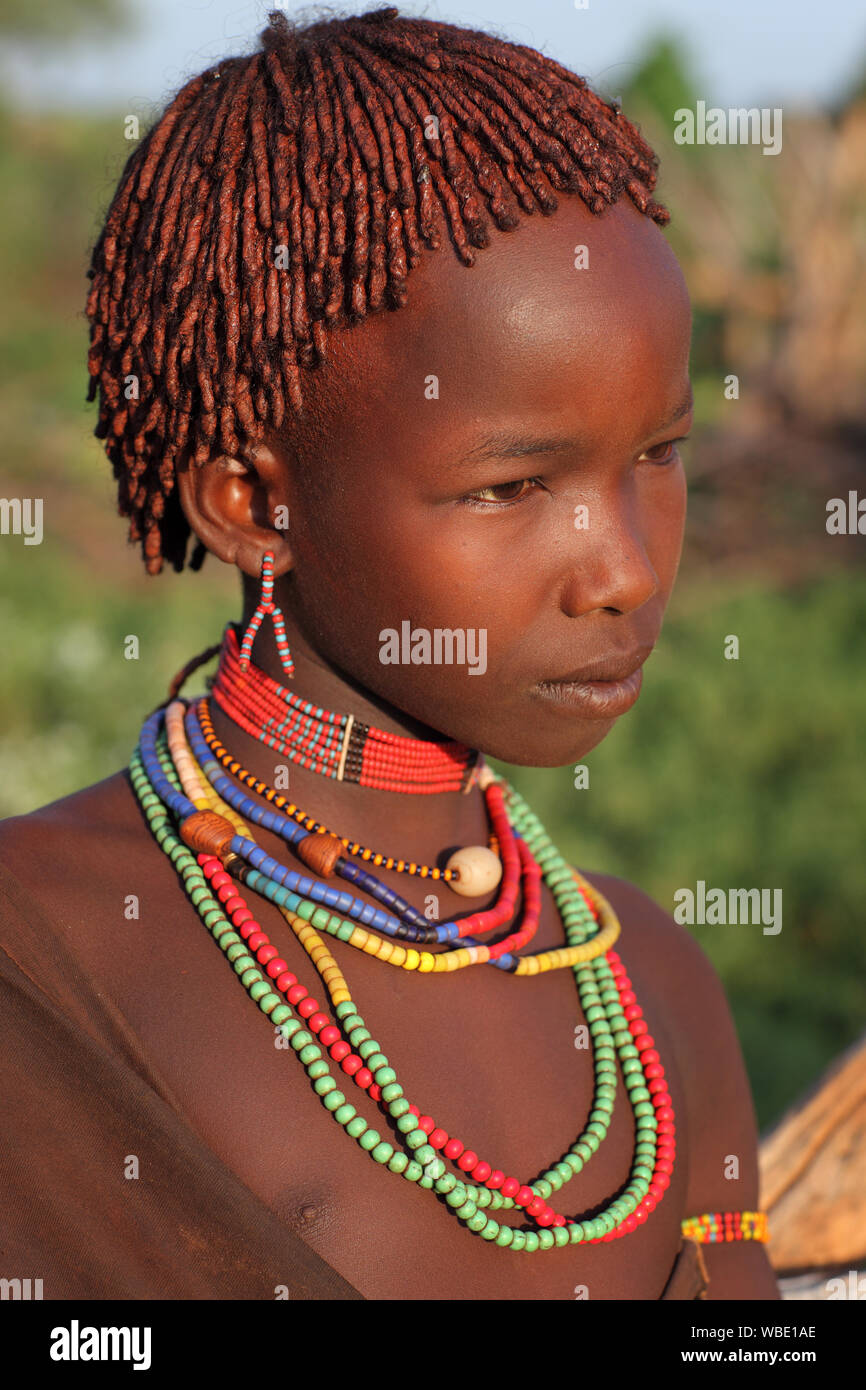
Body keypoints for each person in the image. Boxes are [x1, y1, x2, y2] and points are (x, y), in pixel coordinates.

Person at [0, 6, 779, 1300]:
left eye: (656, 458)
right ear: (254, 504)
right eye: (511, 487)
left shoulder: (648, 984)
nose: (626, 571)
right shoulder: (39, 959)